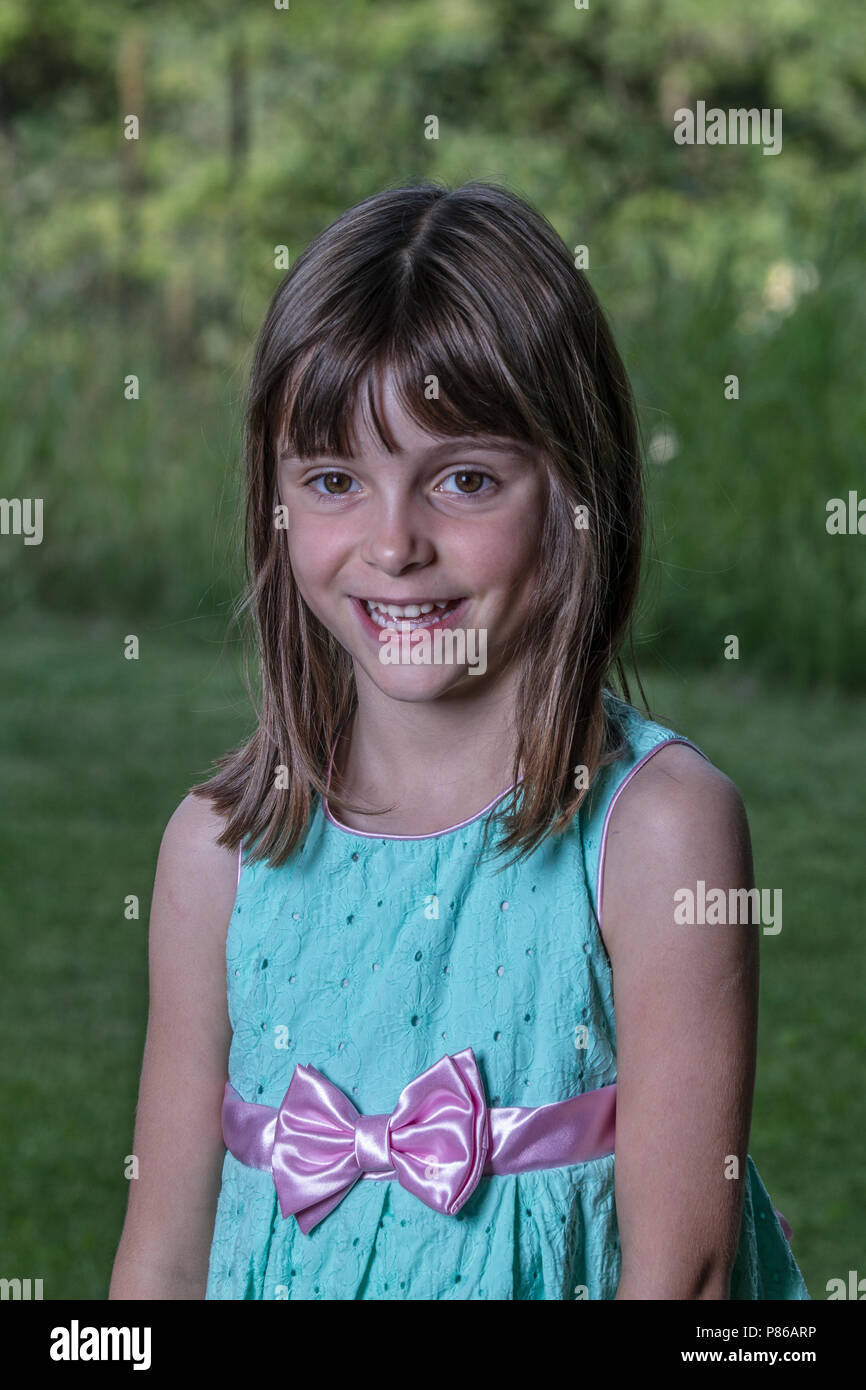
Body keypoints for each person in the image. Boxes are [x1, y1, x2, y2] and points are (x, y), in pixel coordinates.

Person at [109, 180, 810, 1300]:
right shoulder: (213, 853)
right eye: (335, 480)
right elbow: (159, 1261)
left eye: (465, 479)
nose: (393, 544)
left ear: (576, 491)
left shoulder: (658, 835)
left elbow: (685, 1273)